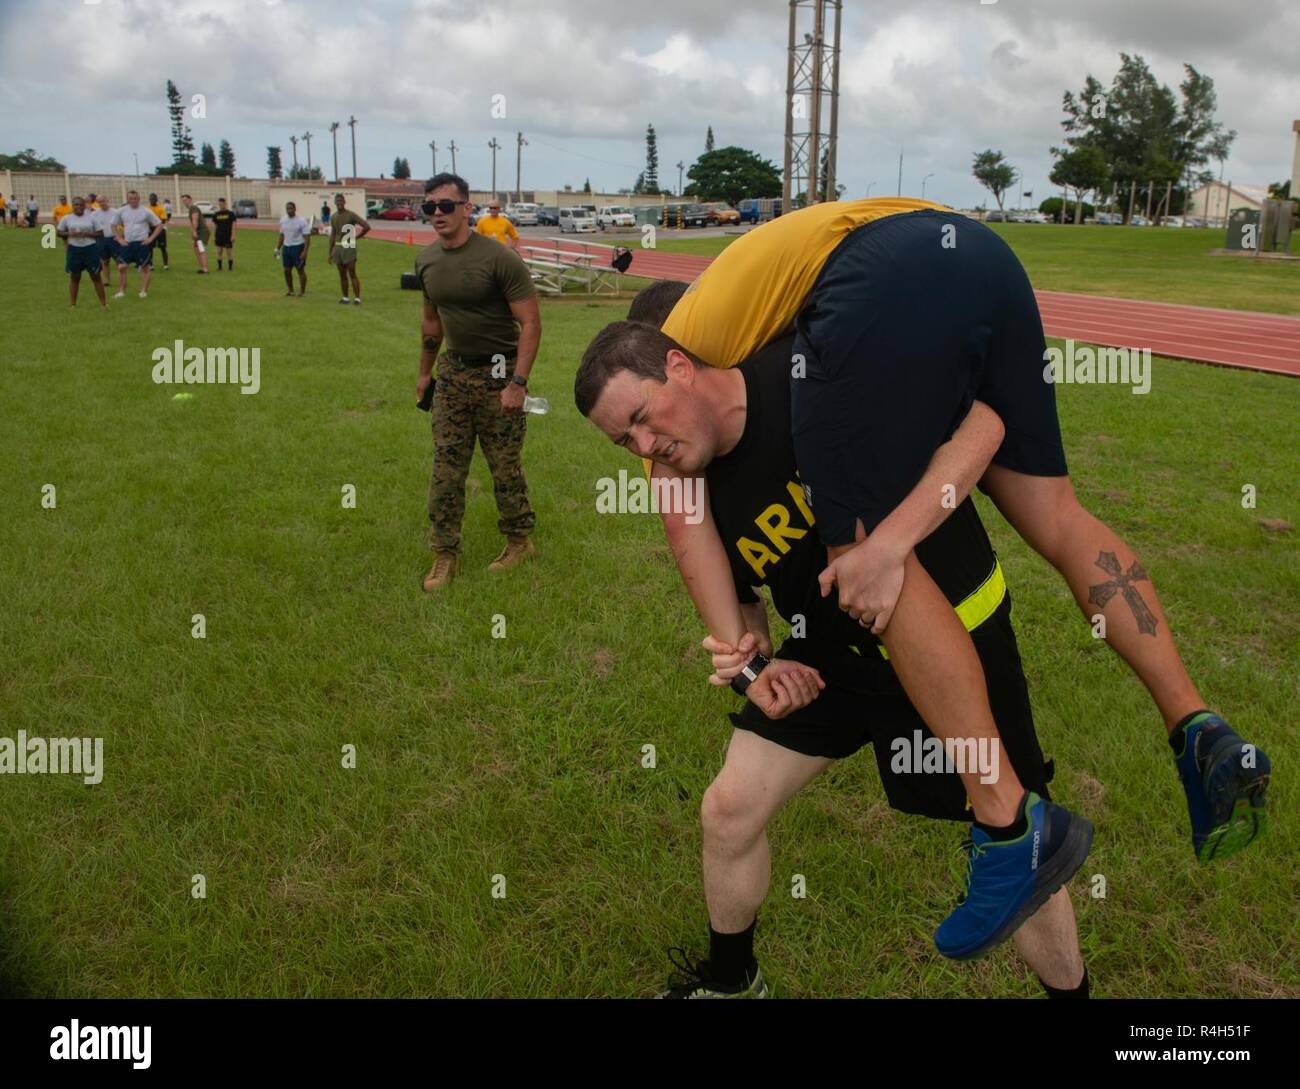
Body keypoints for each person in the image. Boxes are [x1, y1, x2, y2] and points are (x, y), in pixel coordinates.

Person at [606, 200, 1272, 866]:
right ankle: (1196, 725)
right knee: (1057, 515)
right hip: (986, 260)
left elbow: (679, 514)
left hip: (883, 268)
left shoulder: (697, 347)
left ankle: (1007, 827)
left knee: (856, 552)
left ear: (674, 359)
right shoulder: (738, 300)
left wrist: (868, 561)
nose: (644, 441)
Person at [577, 308, 1094, 963]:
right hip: (835, 656)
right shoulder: (691, 485)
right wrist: (753, 675)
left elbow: (984, 420)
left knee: (1017, 834)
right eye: (624, 442)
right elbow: (741, 619)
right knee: (728, 806)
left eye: (643, 418)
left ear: (678, 367)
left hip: (955, 639)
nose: (645, 449)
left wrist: (892, 543)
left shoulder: (811, 370)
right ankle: (731, 977)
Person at [416, 173, 540, 590]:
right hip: (453, 372)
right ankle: (444, 553)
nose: (437, 214)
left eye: (445, 206)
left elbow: (530, 322)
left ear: (467, 208)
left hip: (500, 370)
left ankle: (520, 541)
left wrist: (518, 383)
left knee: (503, 465)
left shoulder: (499, 258)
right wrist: (423, 372)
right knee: (447, 467)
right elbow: (431, 321)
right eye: (429, 207)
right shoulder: (427, 260)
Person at [110, 190, 163, 299]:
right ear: (128, 199)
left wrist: (151, 239)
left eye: (135, 198)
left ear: (139, 199)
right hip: (127, 243)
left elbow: (159, 225)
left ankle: (143, 291)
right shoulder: (121, 211)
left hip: (142, 243)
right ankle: (121, 291)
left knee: (145, 268)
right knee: (121, 267)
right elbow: (113, 225)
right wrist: (119, 239)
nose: (133, 200)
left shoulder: (146, 211)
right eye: (131, 198)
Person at [56, 196, 107, 309]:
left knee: (95, 276)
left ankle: (103, 304)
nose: (78, 207)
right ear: (72, 206)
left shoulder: (91, 218)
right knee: (75, 276)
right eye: (76, 204)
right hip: (74, 249)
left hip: (90, 249)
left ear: (85, 206)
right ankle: (73, 304)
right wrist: (69, 234)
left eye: (81, 204)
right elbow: (58, 233)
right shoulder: (67, 218)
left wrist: (86, 234)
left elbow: (100, 234)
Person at [327, 193, 370, 304]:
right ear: (335, 203)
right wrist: (330, 252)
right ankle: (345, 297)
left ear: (344, 202)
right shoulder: (334, 217)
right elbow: (332, 234)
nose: (339, 203)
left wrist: (357, 237)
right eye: (337, 201)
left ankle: (357, 298)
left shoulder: (351, 215)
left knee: (352, 272)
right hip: (338, 246)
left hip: (349, 245)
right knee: (342, 274)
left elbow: (366, 226)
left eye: (341, 200)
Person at [275, 201, 311, 296]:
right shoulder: (283, 220)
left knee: (300, 270)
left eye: (291, 208)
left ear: (295, 209)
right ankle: (291, 291)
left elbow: (307, 237)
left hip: (298, 247)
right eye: (287, 208)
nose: (289, 210)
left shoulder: (301, 221)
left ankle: (302, 292)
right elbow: (282, 235)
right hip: (287, 248)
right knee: (286, 270)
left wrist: (305, 251)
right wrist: (277, 248)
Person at [180, 194, 209, 273]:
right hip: (198, 231)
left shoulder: (193, 208)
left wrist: (194, 231)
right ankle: (202, 267)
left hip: (201, 232)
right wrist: (192, 232)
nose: (184, 202)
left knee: (201, 249)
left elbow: (195, 220)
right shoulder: (191, 209)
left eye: (185, 200)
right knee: (196, 249)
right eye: (183, 201)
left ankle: (205, 269)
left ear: (190, 199)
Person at [91, 192, 119, 272]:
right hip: (101, 239)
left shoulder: (116, 212)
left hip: (114, 239)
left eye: (103, 201)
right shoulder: (94, 214)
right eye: (99, 202)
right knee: (104, 261)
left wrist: (120, 235)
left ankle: (121, 280)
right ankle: (106, 281)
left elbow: (123, 225)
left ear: (107, 200)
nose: (102, 203)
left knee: (118, 261)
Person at [212, 197, 236, 270]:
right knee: (219, 251)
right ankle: (220, 267)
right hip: (219, 235)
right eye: (220, 204)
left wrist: (233, 235)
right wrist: (214, 235)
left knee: (229, 252)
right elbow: (215, 226)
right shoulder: (216, 214)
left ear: (225, 204)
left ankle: (230, 268)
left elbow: (234, 225)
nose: (221, 205)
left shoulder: (230, 214)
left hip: (228, 235)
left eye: (222, 204)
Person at [148, 192, 170, 269]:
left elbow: (163, 220)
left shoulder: (161, 208)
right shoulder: (147, 209)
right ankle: (150, 265)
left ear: (157, 199)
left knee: (163, 247)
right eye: (151, 198)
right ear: (149, 200)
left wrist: (152, 222)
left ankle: (166, 265)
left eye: (154, 198)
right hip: (150, 230)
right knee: (150, 248)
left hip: (160, 229)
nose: (152, 200)